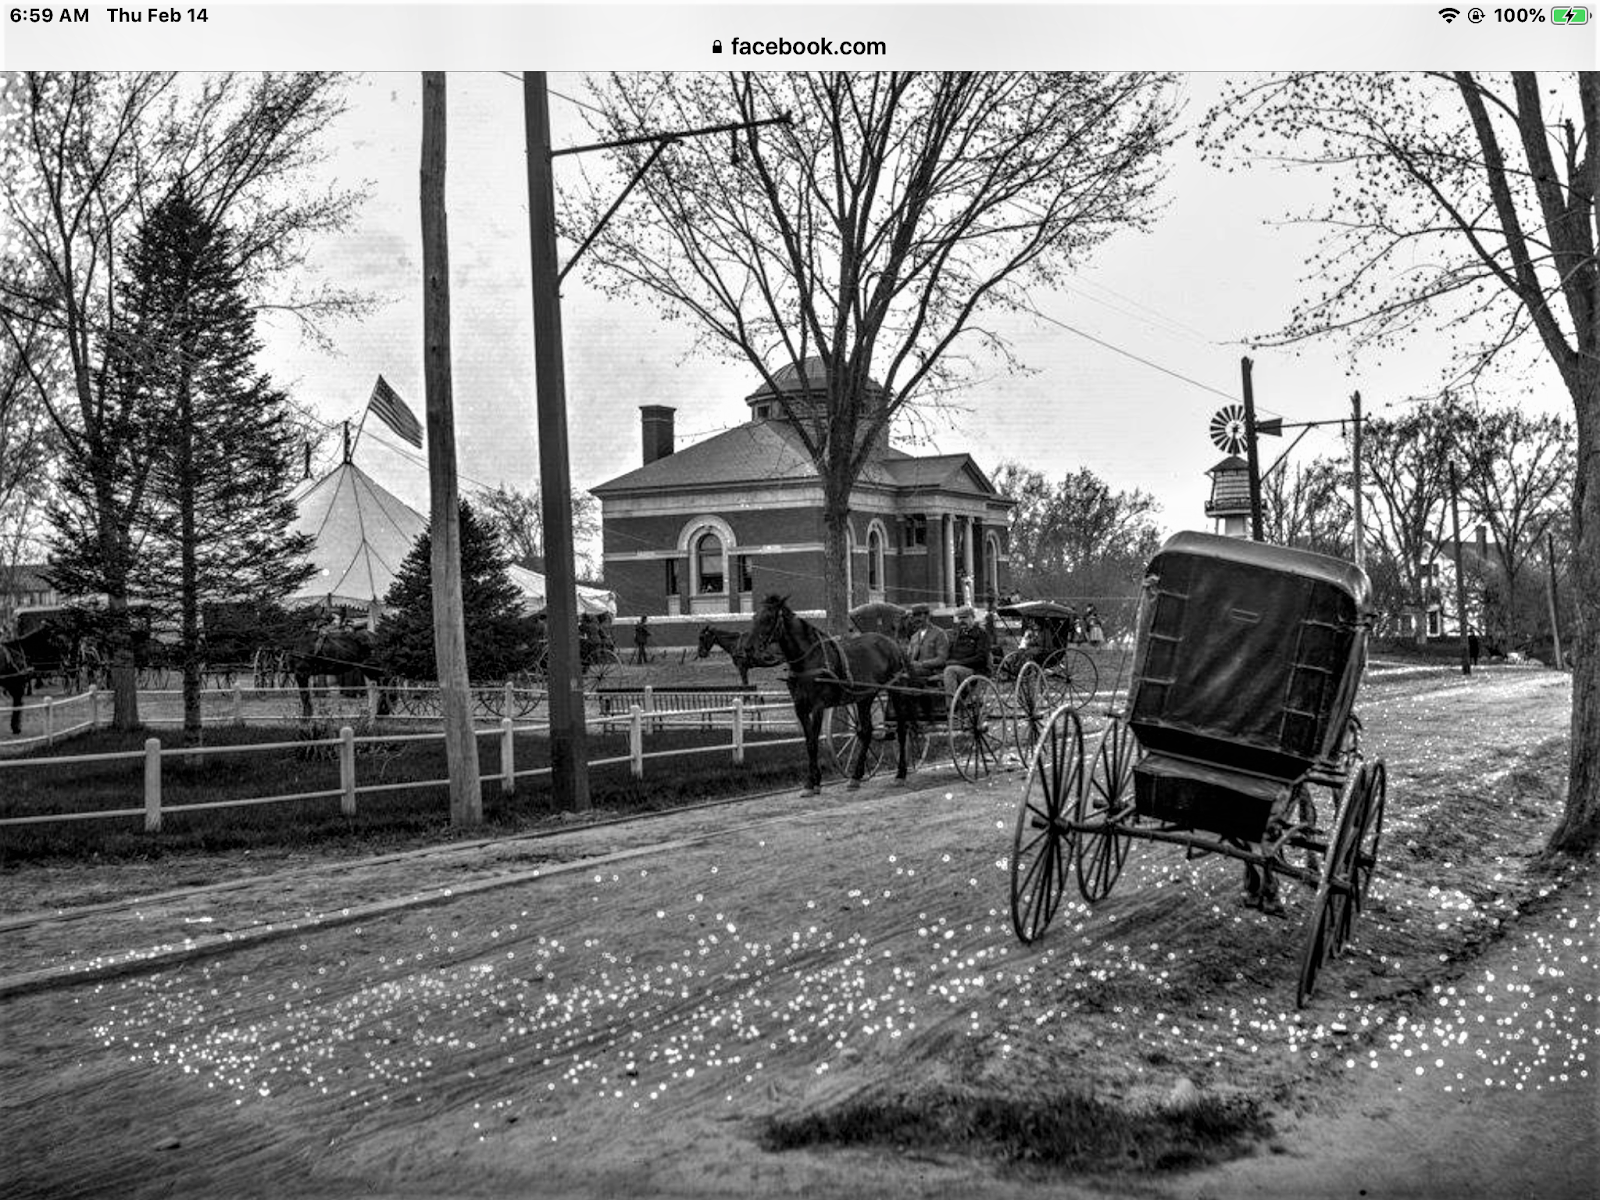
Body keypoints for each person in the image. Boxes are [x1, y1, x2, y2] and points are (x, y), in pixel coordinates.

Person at [942, 605, 991, 695]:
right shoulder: (957, 635)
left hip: (974, 670)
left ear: (972, 618)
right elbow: (950, 653)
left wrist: (958, 663)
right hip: (957, 668)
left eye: (965, 618)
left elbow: (981, 658)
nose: (962, 621)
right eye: (960, 618)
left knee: (950, 670)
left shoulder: (981, 634)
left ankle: (951, 705)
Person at [905, 603, 949, 684]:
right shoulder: (914, 637)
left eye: (920, 616)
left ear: (927, 616)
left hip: (932, 671)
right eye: (915, 616)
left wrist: (922, 664)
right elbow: (909, 656)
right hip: (914, 669)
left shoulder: (939, 634)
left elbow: (942, 659)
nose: (917, 619)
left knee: (907, 675)